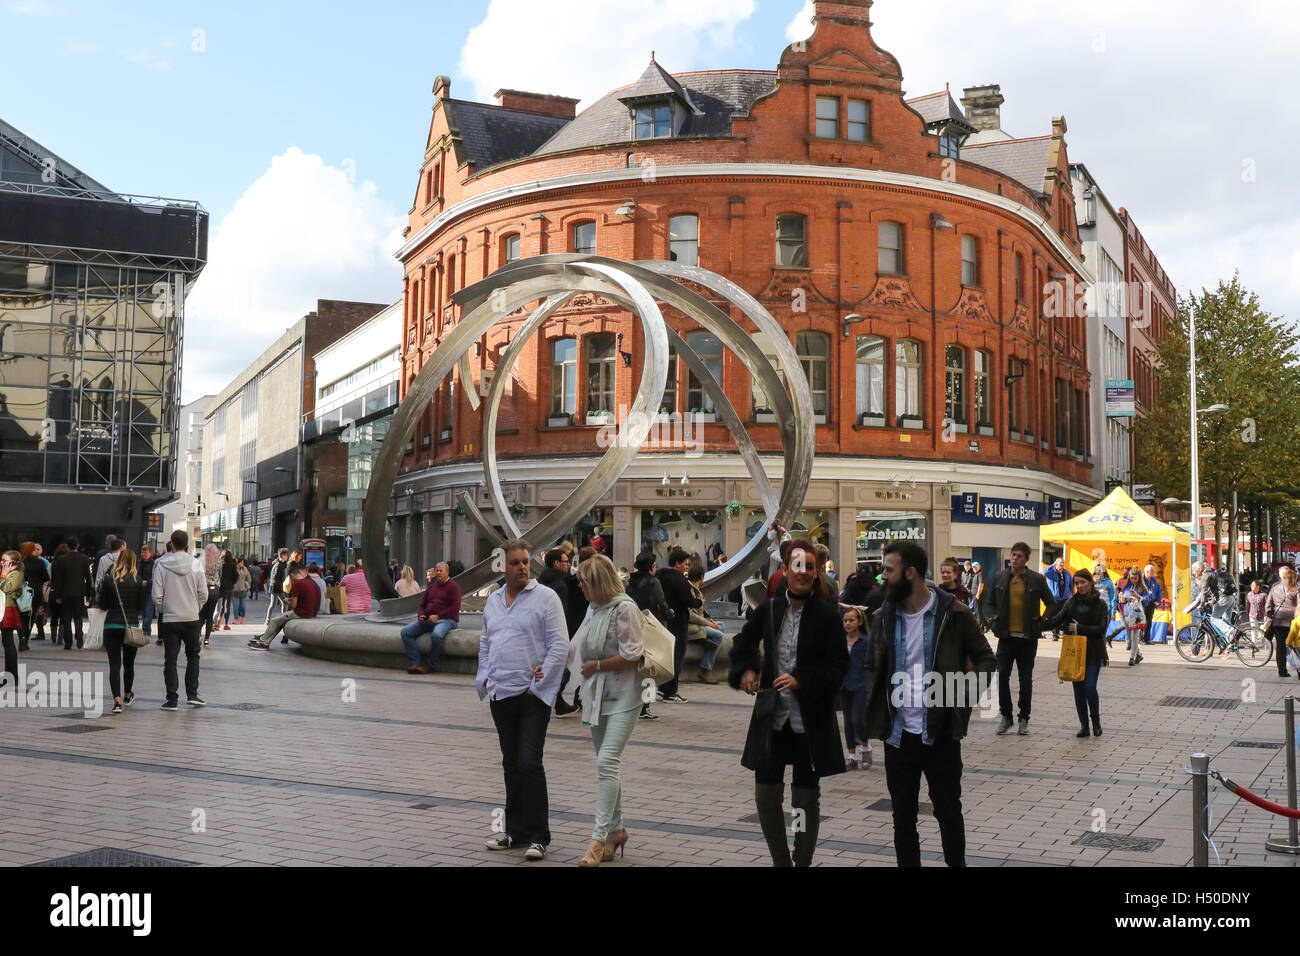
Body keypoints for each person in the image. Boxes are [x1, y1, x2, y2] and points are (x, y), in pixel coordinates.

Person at [862, 540, 995, 868]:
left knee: (948, 812)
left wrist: (959, 701)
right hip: (897, 736)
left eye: (888, 570)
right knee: (902, 817)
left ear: (910, 573)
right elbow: (870, 667)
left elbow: (986, 661)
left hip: (940, 734)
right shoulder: (883, 617)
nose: (882, 577)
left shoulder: (954, 614)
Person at [730, 540, 849, 867]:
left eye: (810, 567)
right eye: (798, 566)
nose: (804, 572)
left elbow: (839, 666)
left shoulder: (827, 616)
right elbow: (743, 641)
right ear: (785, 569)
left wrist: (803, 680)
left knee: (803, 802)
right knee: (766, 798)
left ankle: (802, 859)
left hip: (810, 722)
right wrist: (748, 669)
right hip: (772, 719)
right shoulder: (769, 609)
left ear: (816, 572)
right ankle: (781, 860)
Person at [477, 539, 569, 861]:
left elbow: (560, 645)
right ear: (503, 566)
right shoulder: (493, 601)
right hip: (500, 694)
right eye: (515, 563)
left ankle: (539, 835)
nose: (522, 568)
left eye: (525, 562)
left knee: (529, 762)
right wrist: (483, 676)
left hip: (533, 696)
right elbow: (486, 641)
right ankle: (514, 832)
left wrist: (538, 687)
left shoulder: (546, 598)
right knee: (511, 764)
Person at [566, 554, 644, 866]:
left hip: (625, 696)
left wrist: (596, 665)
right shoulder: (595, 607)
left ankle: (598, 839)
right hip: (597, 694)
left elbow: (633, 654)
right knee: (605, 763)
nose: (580, 588)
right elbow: (578, 644)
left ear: (597, 583)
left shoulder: (625, 608)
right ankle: (616, 830)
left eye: (583, 583)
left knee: (607, 762)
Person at [981, 541, 1058, 736]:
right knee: (1002, 676)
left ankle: (1024, 717)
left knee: (1025, 680)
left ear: (1026, 559)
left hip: (1027, 639)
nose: (1015, 559)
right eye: (1013, 555)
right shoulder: (999, 577)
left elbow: (1051, 603)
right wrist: (993, 621)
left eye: (1019, 556)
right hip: (1005, 638)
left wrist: (1041, 623)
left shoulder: (1036, 579)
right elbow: (987, 604)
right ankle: (1006, 716)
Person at [1046, 568, 1110, 737]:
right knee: (1079, 691)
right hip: (1075, 652)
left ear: (1090, 582)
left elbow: (1102, 629)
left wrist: (1079, 627)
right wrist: (1038, 623)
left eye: (1083, 582)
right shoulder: (1072, 602)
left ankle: (1095, 721)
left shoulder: (1100, 603)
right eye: (1076, 583)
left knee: (1089, 687)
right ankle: (1084, 725)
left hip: (1094, 651)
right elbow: (1058, 619)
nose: (1080, 586)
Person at [152, 530, 209, 711]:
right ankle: (192, 694)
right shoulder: (196, 565)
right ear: (187, 545)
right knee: (193, 656)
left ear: (172, 544)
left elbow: (156, 595)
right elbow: (204, 594)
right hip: (191, 618)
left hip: (170, 619)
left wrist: (165, 609)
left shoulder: (162, 565)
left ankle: (172, 699)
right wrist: (195, 607)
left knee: (170, 659)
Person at [97, 547, 144, 715]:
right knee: (129, 664)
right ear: (133, 562)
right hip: (129, 627)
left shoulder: (109, 580)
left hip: (111, 626)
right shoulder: (138, 580)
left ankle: (116, 701)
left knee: (114, 665)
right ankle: (127, 694)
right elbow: (141, 606)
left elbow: (103, 605)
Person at [626, 552, 669, 721]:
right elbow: (661, 602)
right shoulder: (653, 581)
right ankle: (646, 707)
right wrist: (669, 613)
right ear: (652, 567)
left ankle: (635, 704)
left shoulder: (630, 583)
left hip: (635, 627)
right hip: (652, 628)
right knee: (652, 668)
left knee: (636, 667)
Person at [656, 547, 700, 704]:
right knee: (677, 657)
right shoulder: (678, 578)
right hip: (678, 622)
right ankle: (671, 691)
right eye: (685, 564)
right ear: (677, 563)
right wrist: (698, 601)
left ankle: (662, 687)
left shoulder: (658, 575)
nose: (687, 567)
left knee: (665, 657)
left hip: (662, 622)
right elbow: (688, 600)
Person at [401, 562, 461, 674]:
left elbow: (455, 608)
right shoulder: (431, 588)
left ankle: (430, 664)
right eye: (437, 571)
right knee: (406, 632)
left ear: (447, 573)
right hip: (428, 620)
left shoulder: (454, 587)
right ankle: (416, 662)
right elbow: (422, 606)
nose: (438, 573)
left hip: (447, 620)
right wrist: (421, 615)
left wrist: (438, 616)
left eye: (440, 571)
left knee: (437, 635)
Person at [247, 566, 321, 649]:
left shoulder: (297, 584)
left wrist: (287, 601)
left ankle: (262, 641)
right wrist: (292, 599)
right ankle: (266, 642)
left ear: (292, 575)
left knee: (274, 621)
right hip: (312, 612)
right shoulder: (311, 582)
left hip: (302, 613)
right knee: (280, 621)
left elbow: (294, 606)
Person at [840, 605, 871, 770]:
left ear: (859, 622)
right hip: (844, 685)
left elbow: (870, 664)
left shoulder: (866, 641)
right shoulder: (840, 641)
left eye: (851, 620)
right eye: (845, 620)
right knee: (847, 721)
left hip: (860, 684)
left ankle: (865, 747)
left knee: (857, 719)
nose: (847, 623)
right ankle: (851, 755)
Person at [50, 536, 93, 649]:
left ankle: (68, 642)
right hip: (79, 592)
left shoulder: (61, 559)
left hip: (65, 592)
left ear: (67, 547)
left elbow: (58, 580)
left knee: (66, 618)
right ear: (78, 545)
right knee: (78, 616)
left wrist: (58, 595)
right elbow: (88, 577)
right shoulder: (84, 558)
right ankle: (79, 633)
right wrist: (89, 594)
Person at [685, 562, 724, 684]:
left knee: (722, 626)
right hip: (691, 627)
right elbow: (690, 614)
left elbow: (701, 611)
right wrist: (707, 623)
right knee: (719, 635)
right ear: (701, 576)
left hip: (698, 624)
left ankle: (705, 644)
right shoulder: (689, 590)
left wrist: (709, 620)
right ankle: (705, 669)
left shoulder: (695, 589)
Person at [1264, 567, 1299, 679]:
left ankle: (1282, 672)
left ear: (1280, 575)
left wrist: (1268, 615)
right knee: (1296, 647)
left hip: (1278, 621)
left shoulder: (1275, 587)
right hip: (1293, 621)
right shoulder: (1296, 587)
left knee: (1280, 647)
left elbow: (1268, 604)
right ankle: (1299, 672)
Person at [0, 551, 24, 685]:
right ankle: (10, 677)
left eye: (4, 560)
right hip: (4, 607)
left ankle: (12, 677)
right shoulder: (9, 573)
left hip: (7, 609)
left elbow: (5, 588)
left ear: (12, 563)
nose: (1, 563)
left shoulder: (16, 574)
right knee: (6, 642)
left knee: (8, 642)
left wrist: (3, 574)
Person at [19, 541, 48, 649]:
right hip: (35, 591)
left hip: (22, 591)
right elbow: (46, 577)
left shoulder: (20, 561)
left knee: (22, 616)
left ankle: (21, 636)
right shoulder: (39, 562)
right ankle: (25, 640)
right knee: (31, 617)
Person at [1118, 567, 1148, 665]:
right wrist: (1121, 598)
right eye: (1131, 578)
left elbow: (1146, 601)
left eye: (1135, 578)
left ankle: (1132, 658)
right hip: (1128, 614)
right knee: (1130, 638)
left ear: (1139, 578)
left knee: (1135, 636)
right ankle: (1139, 655)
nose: (1133, 580)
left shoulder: (1142, 588)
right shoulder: (1127, 587)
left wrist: (1137, 596)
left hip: (1137, 615)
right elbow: (1122, 599)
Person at [1043, 557, 1072, 641]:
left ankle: (1065, 633)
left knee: (1063, 616)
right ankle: (1055, 634)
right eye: (1060, 563)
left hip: (1065, 598)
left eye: (1063, 563)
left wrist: (1071, 593)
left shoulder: (1066, 573)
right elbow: (1045, 572)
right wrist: (1053, 565)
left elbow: (1071, 583)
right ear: (1056, 563)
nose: (1062, 565)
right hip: (1054, 598)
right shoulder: (1052, 572)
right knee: (1054, 617)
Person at [198, 544, 221, 647]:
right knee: (210, 615)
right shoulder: (218, 562)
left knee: (202, 614)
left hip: (204, 589)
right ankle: (207, 639)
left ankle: (198, 634)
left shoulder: (202, 561)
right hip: (215, 590)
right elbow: (220, 575)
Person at [264, 549, 290, 624]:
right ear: (282, 556)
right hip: (276, 588)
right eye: (286, 555)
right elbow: (275, 578)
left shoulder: (281, 563)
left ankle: (283, 619)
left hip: (278, 587)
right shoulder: (278, 565)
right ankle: (268, 621)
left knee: (284, 603)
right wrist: (280, 587)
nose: (287, 556)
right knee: (273, 604)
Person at [138, 545, 157, 639]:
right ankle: (140, 630)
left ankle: (146, 631)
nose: (143, 554)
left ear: (150, 553)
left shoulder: (154, 564)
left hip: (149, 590)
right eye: (142, 552)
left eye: (145, 552)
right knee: (141, 612)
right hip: (140, 590)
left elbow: (155, 578)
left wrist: (147, 582)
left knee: (148, 611)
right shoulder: (139, 563)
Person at [1141, 564, 1164, 637]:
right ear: (1147, 572)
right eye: (1152, 571)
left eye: (1153, 571)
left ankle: (1147, 639)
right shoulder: (1141, 579)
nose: (1153, 572)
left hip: (1151, 603)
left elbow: (1159, 591)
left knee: (1149, 621)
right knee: (1141, 620)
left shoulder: (1154, 581)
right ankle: (1140, 638)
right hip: (1142, 603)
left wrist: (1158, 600)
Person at [217, 550, 237, 630]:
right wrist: (232, 582)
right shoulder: (232, 565)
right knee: (227, 606)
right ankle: (225, 624)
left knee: (219, 606)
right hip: (229, 587)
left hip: (220, 587)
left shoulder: (220, 564)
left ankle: (217, 621)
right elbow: (236, 576)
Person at [232, 558, 251, 624]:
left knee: (242, 606)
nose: (243, 564)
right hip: (234, 590)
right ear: (237, 563)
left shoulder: (245, 568)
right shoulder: (233, 569)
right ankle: (236, 619)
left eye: (243, 562)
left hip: (243, 589)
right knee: (235, 605)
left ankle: (242, 617)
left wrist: (247, 585)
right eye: (241, 562)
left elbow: (249, 578)